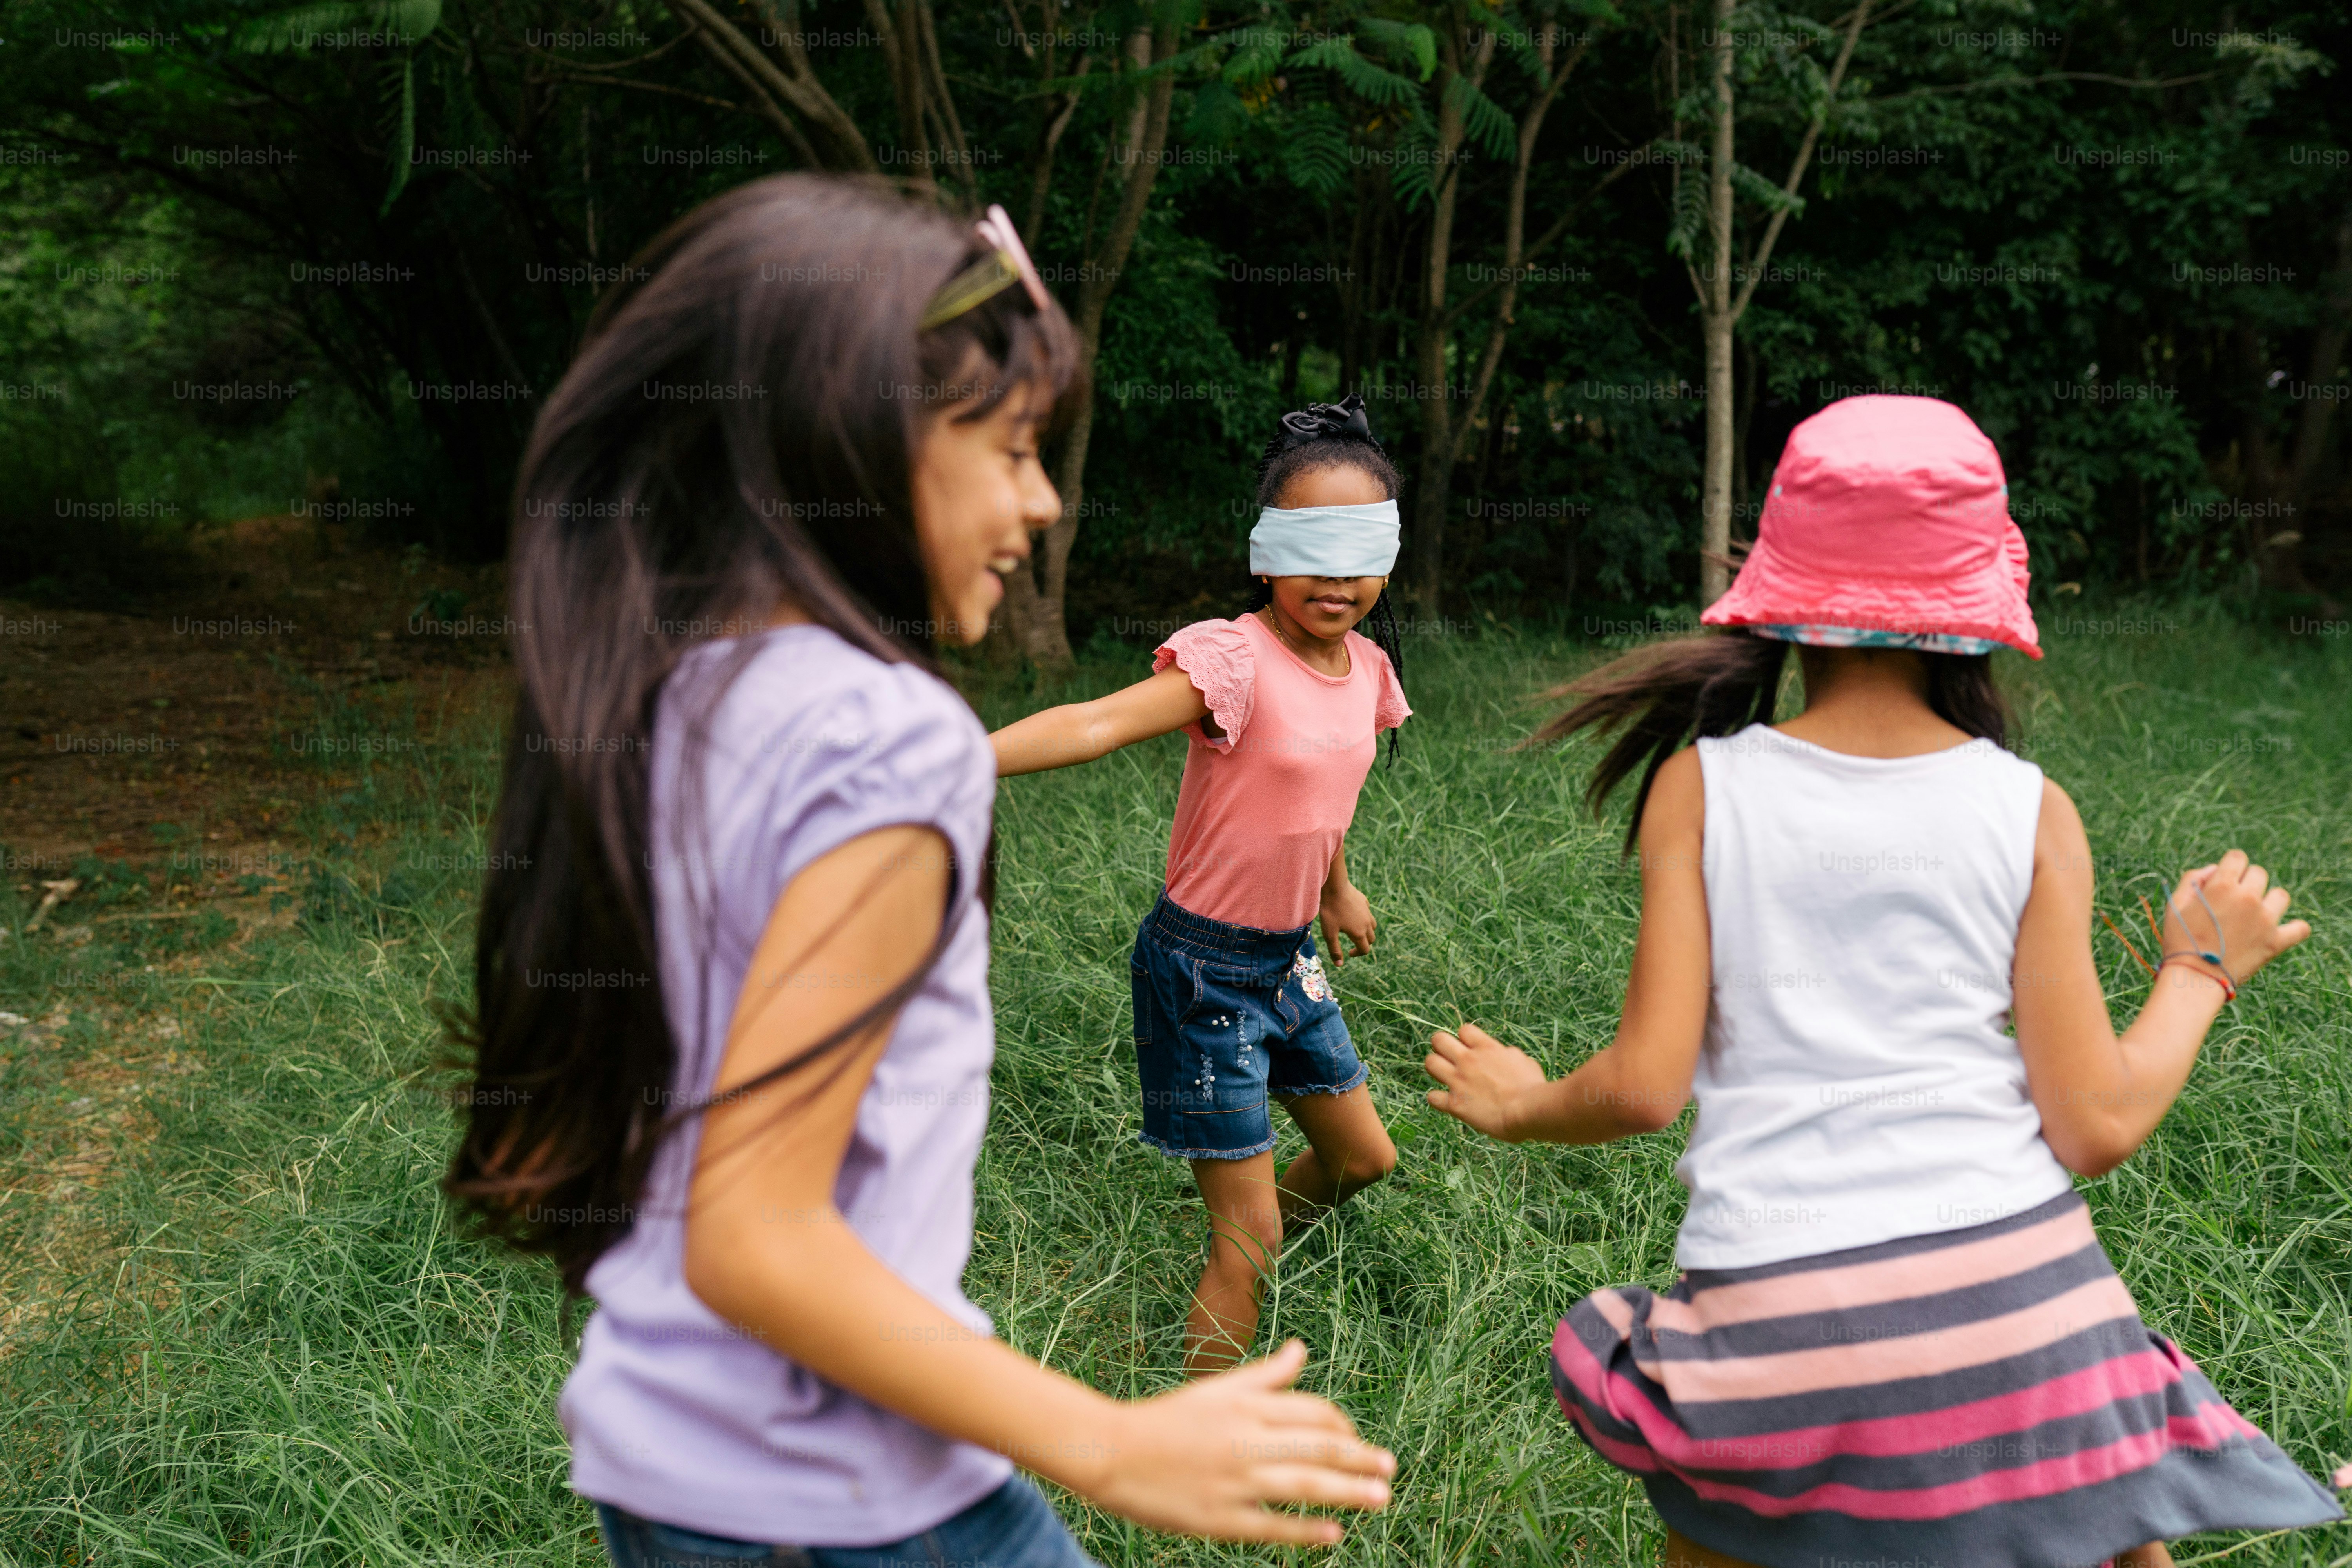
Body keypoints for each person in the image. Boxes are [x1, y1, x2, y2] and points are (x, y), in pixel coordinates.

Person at [442, 177, 1393, 1568]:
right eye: (1009, 449)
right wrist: (1107, 1441)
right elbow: (755, 1235)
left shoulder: (682, 692)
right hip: (841, 1486)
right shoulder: (888, 741)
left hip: (665, 1456)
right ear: (852, 438)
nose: (1043, 500)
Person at [1419, 396, 2344, 1567]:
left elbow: (1645, 1089)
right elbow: (2097, 1123)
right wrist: (2200, 969)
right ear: (1979, 614)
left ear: (1780, 588)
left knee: (1722, 1518)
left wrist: (1522, 1102)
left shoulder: (1702, 790)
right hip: (2023, 1317)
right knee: (2107, 1514)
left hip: (1777, 1338)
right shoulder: (2032, 811)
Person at [992, 395, 1411, 1373]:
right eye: (1312, 548)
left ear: (1389, 561)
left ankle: (1246, 1248)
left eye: (1359, 551)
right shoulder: (1235, 660)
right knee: (1248, 1234)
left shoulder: (1368, 668)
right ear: (1265, 554)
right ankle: (1209, 1385)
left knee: (1364, 1158)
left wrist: (1336, 889)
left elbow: (1323, 798)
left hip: (1286, 959)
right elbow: (1096, 722)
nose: (1337, 577)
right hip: (1204, 970)